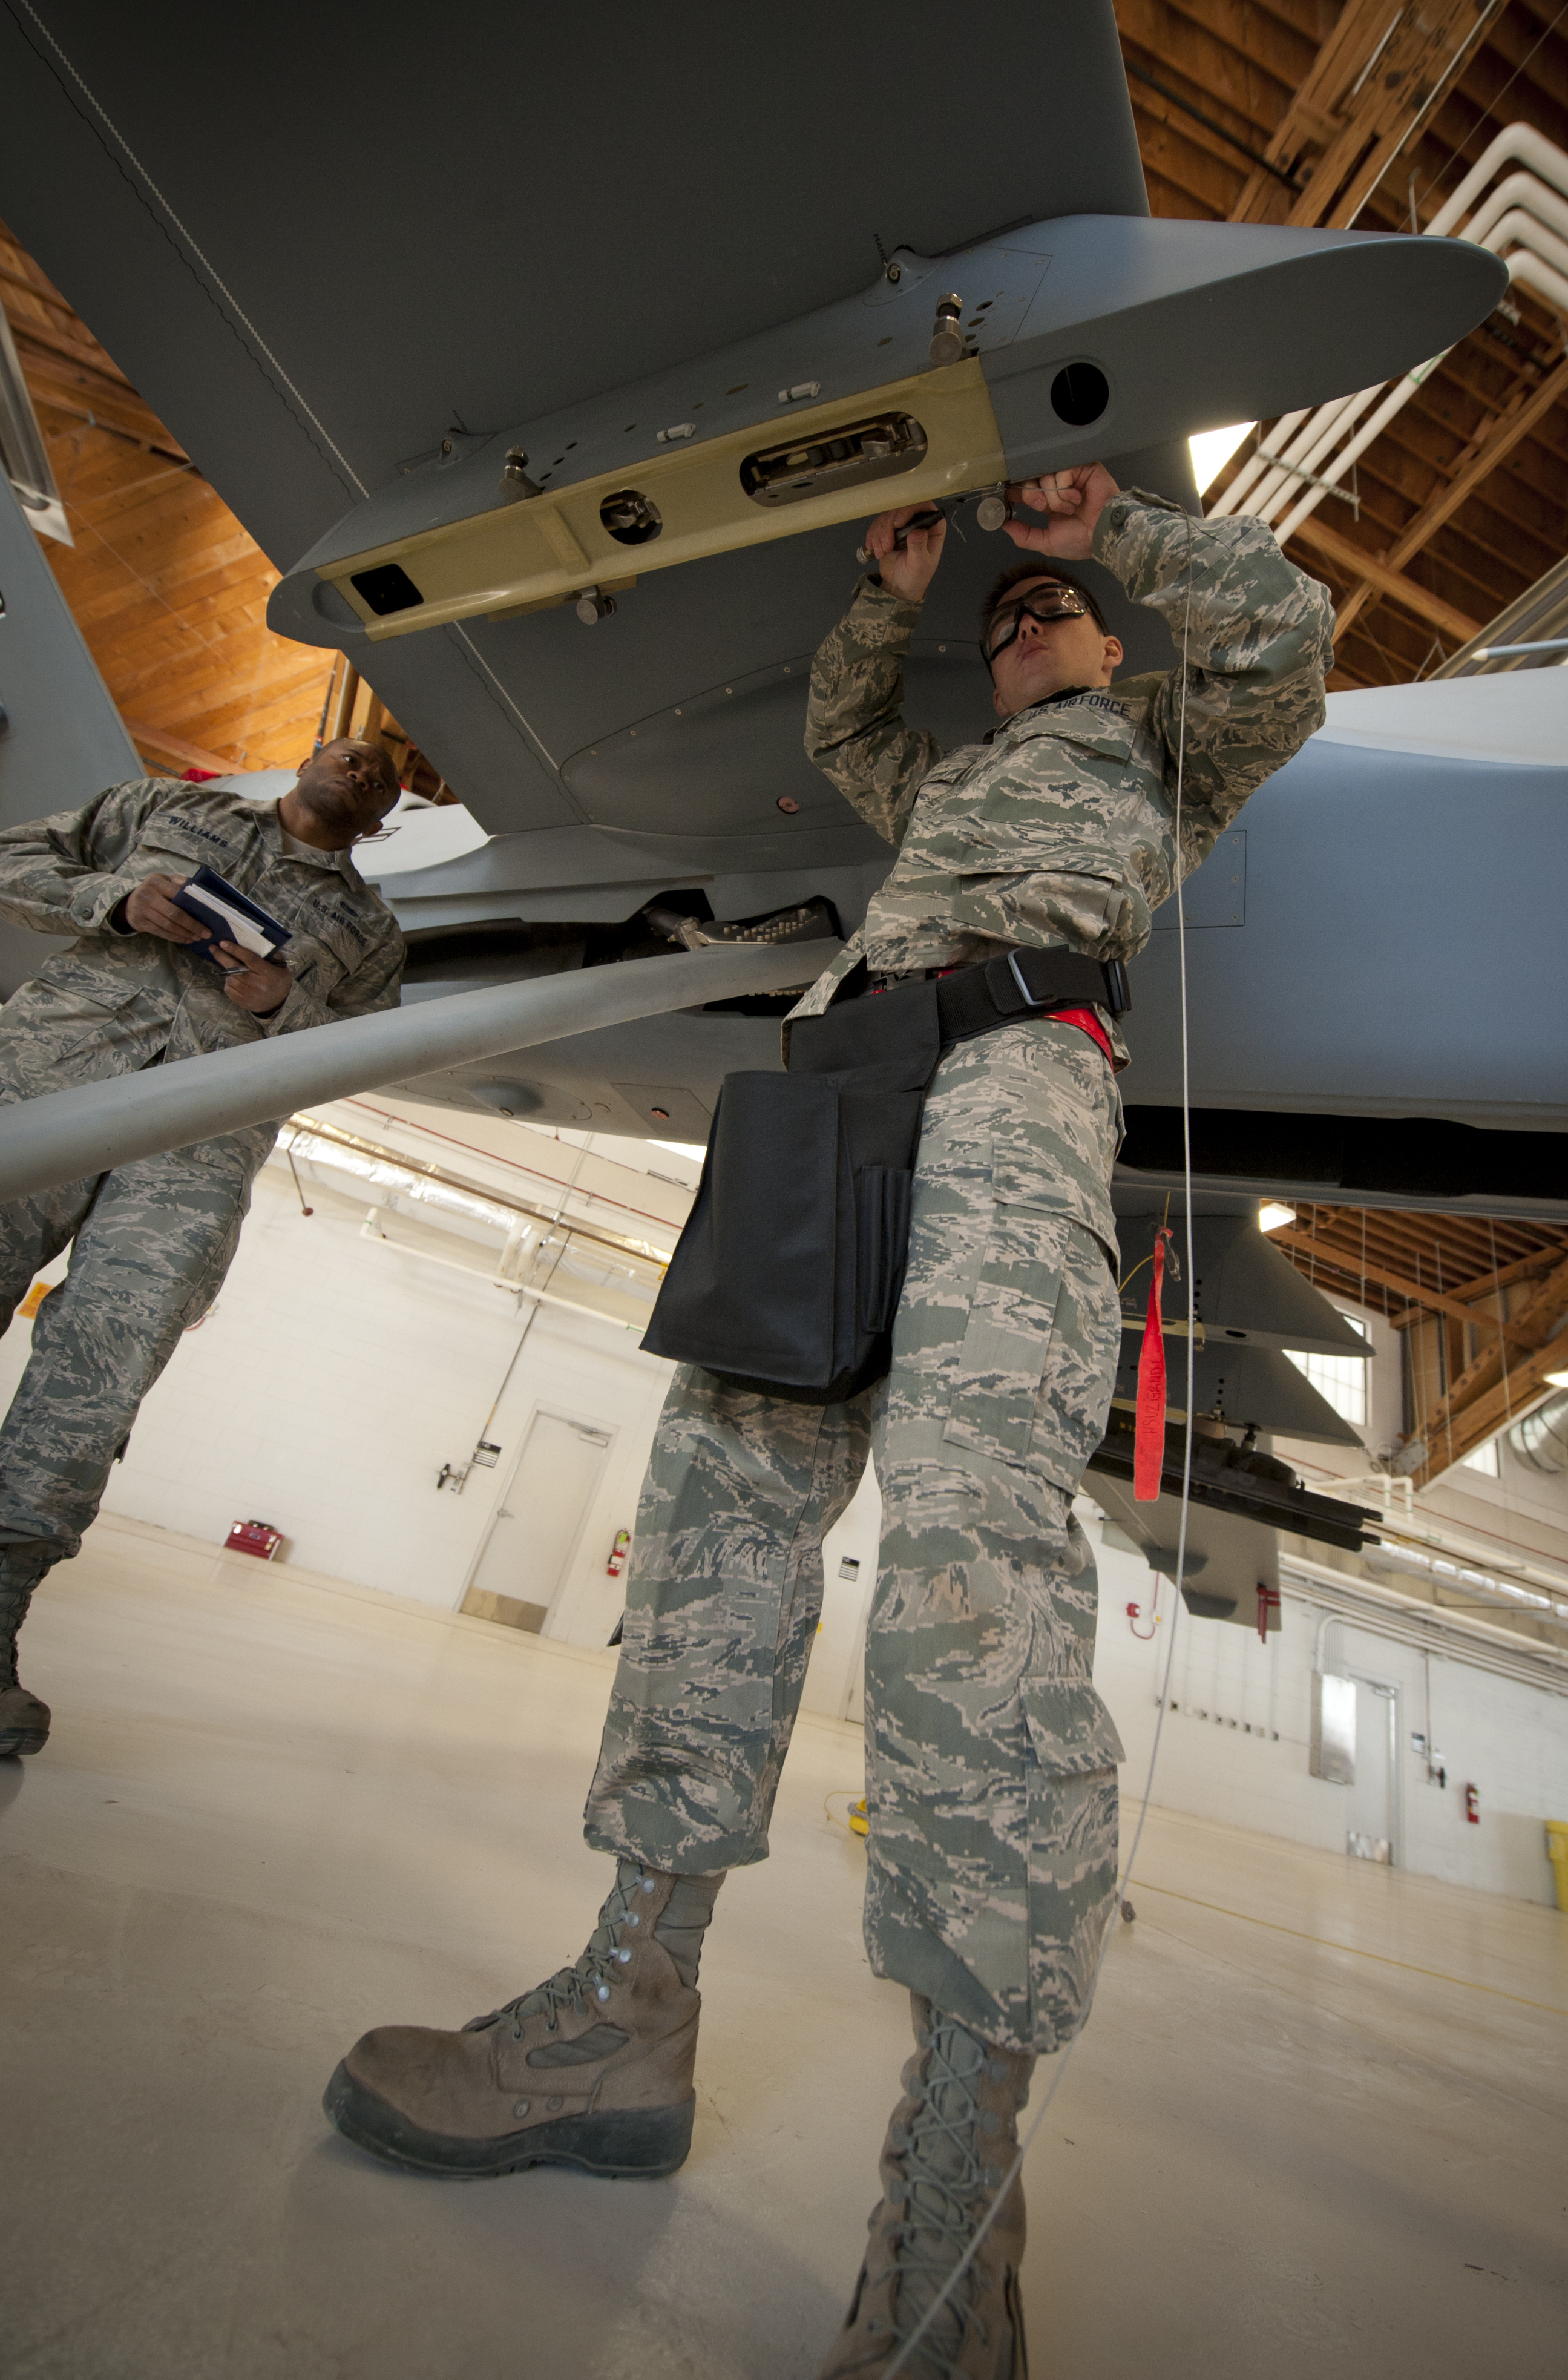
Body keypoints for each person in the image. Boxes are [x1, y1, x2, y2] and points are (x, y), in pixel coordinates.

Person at [325, 465, 1330, 2375]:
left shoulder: (1175, 744)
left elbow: (1291, 638)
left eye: (1044, 620)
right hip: (846, 1079)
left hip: (1028, 1091)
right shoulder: (942, 780)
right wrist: (899, 595)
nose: (1017, 636)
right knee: (719, 1512)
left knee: (970, 1550)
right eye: (1000, 634)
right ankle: (626, 2009)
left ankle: (956, 2187)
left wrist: (1096, 529)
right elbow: (852, 728)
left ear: (1108, 640)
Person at [0, 737, 405, 1760]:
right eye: (351, 749)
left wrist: (287, 1005)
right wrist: (116, 902)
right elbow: (13, 861)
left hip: (195, 1155)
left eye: (382, 774)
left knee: (99, 1375)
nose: (361, 766)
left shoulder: (369, 929)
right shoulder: (155, 811)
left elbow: (358, 1052)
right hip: (52, 1085)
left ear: (384, 815)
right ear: (307, 758)